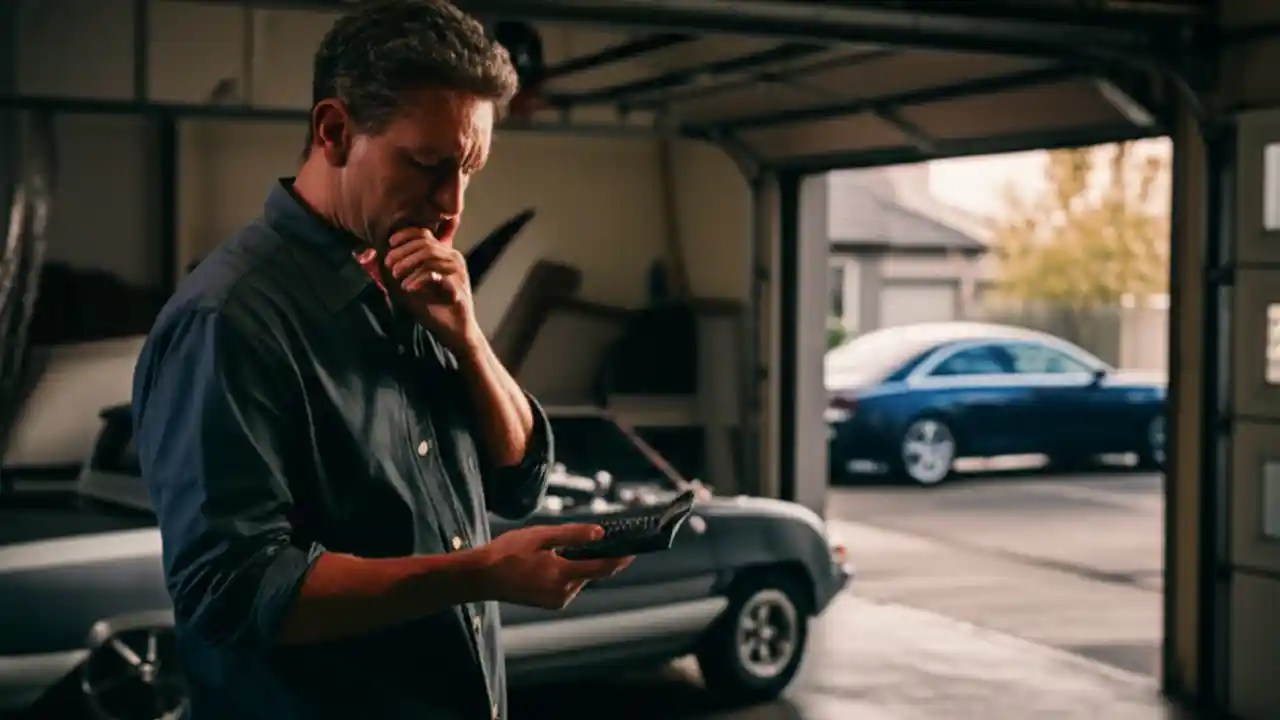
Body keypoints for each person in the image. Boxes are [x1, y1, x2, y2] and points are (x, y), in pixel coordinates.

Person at [130, 2, 633, 718]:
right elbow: (233, 594)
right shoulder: (229, 321)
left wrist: (468, 337)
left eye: (469, 170)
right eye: (428, 165)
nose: (452, 204)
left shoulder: (410, 281)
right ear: (334, 132)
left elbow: (519, 480)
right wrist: (479, 573)